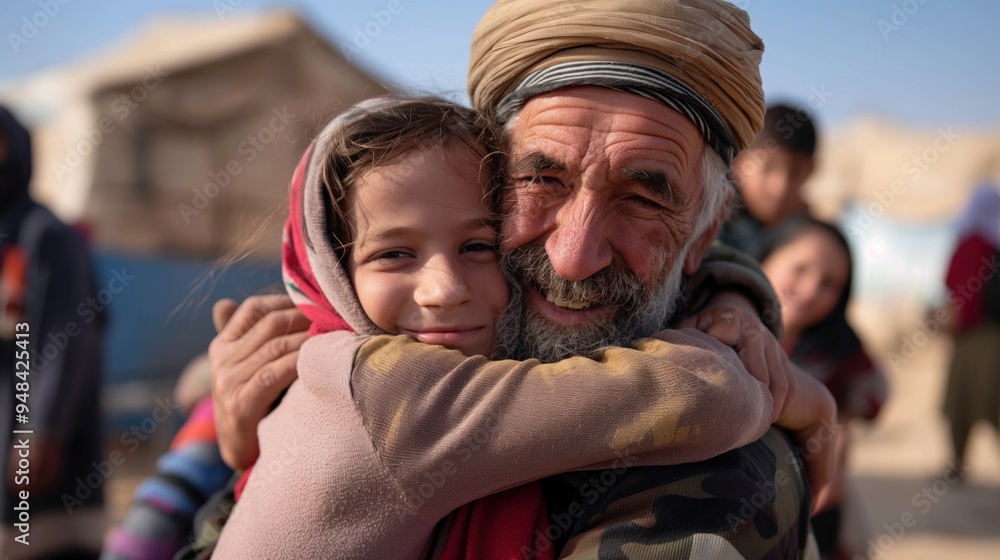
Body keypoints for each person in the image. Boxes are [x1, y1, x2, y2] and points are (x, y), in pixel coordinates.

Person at [210, 1, 838, 557]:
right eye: (541, 179)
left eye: (644, 199)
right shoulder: (359, 371)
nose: (572, 257)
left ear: (703, 236)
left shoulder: (723, 482)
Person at [0, 105, 106, 558]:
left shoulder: (45, 235)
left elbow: (69, 338)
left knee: (40, 539)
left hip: (32, 437)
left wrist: (41, 429)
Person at [759, 217, 887, 558]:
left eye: (830, 283)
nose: (812, 288)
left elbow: (875, 392)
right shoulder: (727, 330)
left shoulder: (841, 345)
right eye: (800, 268)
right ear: (763, 259)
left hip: (818, 502)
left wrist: (839, 421)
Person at [943, 183, 1000, 479]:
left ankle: (957, 465)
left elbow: (964, 294)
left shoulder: (974, 243)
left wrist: (952, 322)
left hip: (975, 338)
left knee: (965, 402)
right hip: (986, 335)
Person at [720, 103, 818, 258]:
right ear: (738, 162)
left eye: (796, 172)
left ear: (811, 171)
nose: (780, 188)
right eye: (768, 168)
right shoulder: (712, 225)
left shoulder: (812, 238)